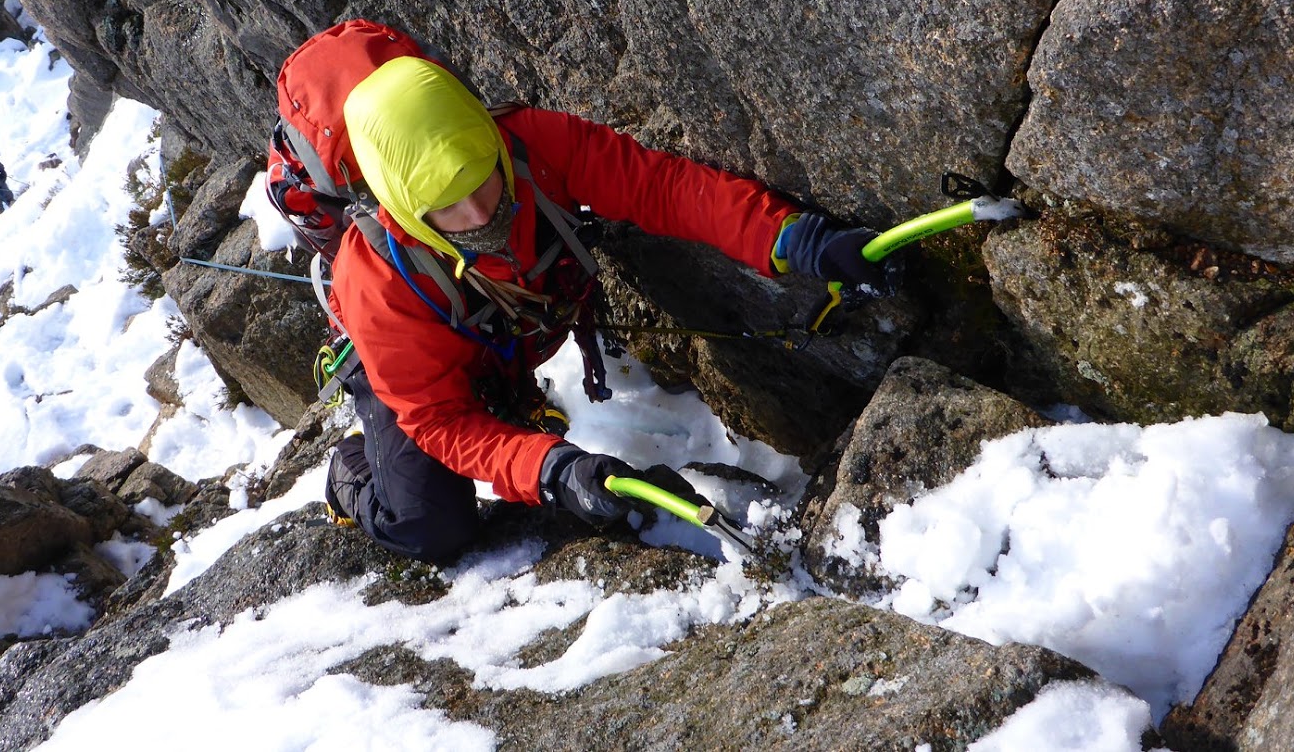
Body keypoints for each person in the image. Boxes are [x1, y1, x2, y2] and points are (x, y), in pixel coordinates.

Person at [321, 55, 884, 562]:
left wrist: (790, 237)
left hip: (504, 332)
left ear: (491, 141)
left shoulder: (531, 144)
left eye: (484, 178)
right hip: (410, 379)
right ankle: (350, 466)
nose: (479, 213)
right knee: (429, 526)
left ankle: (514, 407)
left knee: (504, 413)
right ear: (406, 209)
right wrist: (550, 469)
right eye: (449, 206)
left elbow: (659, 188)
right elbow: (440, 420)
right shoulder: (379, 279)